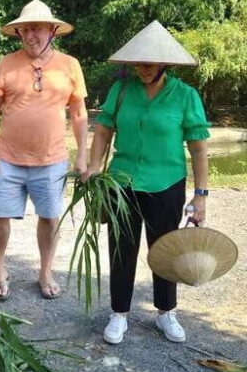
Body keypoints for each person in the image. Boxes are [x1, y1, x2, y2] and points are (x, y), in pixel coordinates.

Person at [81, 21, 210, 344]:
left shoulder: (185, 96)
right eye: (137, 63)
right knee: (121, 249)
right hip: (122, 183)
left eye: (148, 63)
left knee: (164, 249)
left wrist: (201, 195)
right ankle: (119, 313)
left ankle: (166, 312)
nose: (141, 69)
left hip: (167, 183)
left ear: (165, 63)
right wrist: (95, 167)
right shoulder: (122, 90)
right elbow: (104, 129)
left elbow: (198, 147)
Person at [0, 0, 88, 300]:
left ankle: (45, 271)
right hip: (7, 158)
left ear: (52, 31)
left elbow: (79, 114)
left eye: (38, 29)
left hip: (51, 159)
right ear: (18, 33)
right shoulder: (7, 63)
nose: (31, 35)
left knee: (50, 217)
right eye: (25, 29)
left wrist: (82, 155)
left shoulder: (70, 65)